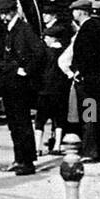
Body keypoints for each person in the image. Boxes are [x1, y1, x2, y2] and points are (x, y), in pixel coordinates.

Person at [63, 0, 100, 163]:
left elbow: (85, 55)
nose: (73, 14)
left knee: (89, 115)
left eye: (74, 11)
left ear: (81, 12)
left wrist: (79, 71)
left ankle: (91, 151)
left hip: (88, 83)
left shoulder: (87, 29)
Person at [0, 0, 44, 175]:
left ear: (12, 12)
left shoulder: (24, 29)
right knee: (14, 124)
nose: (2, 18)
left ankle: (27, 162)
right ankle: (19, 159)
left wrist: (25, 70)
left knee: (22, 123)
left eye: (4, 14)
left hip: (19, 85)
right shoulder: (11, 30)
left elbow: (39, 52)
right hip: (10, 84)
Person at [36, 23, 72, 155]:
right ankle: (57, 145)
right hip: (61, 90)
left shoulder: (44, 52)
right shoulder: (65, 51)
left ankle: (37, 146)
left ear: (53, 38)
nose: (45, 39)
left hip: (45, 89)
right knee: (59, 118)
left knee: (40, 119)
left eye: (47, 37)